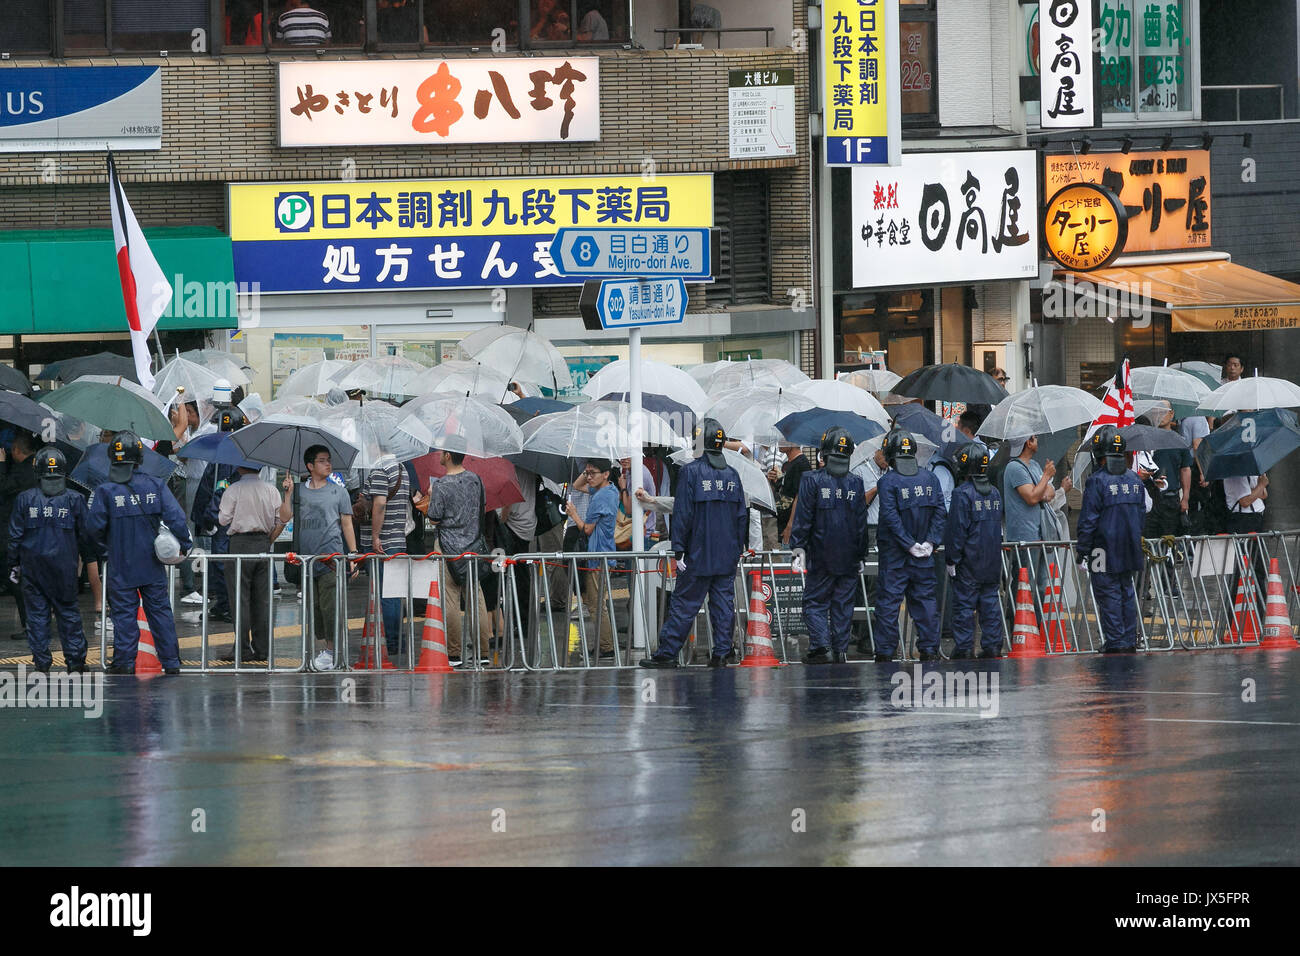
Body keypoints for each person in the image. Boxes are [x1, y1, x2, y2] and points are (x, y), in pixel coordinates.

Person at [641, 419, 748, 668]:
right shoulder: (733, 475)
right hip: (726, 556)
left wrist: (679, 550)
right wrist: (737, 550)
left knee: (684, 605)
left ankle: (667, 654)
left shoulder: (690, 472)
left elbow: (683, 514)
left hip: (697, 555)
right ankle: (722, 652)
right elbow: (741, 516)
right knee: (723, 604)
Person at [86, 431, 192, 675]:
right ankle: (171, 662)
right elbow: (175, 518)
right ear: (140, 459)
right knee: (160, 613)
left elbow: (93, 529)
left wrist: (106, 549)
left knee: (124, 616)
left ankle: (123, 662)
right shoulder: (155, 485)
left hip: (120, 564)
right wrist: (185, 543)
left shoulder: (106, 491)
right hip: (151, 563)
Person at [789, 428, 869, 664]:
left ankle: (821, 646)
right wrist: (862, 554)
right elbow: (861, 524)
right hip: (850, 558)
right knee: (843, 606)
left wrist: (797, 550)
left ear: (823, 454)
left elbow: (803, 520)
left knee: (814, 603)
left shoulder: (811, 481)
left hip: (820, 556)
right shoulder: (856, 483)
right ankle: (839, 650)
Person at [7, 448, 88, 674]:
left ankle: (42, 662)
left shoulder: (25, 500)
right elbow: (87, 536)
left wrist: (12, 564)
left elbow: (15, 537)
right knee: (68, 614)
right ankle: (75, 661)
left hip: (33, 569)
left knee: (37, 616)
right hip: (64, 568)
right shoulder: (75, 499)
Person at [279, 444, 357, 671]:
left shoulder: (338, 491)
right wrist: (288, 493)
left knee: (330, 606)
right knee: (314, 608)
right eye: (322, 460)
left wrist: (352, 554)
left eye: (329, 460)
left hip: (331, 560)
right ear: (310, 466)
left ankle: (333, 652)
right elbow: (285, 516)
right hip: (306, 561)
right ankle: (327, 650)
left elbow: (346, 522)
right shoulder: (298, 491)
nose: (328, 464)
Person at [872, 429, 946, 662]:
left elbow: (890, 517)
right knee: (925, 603)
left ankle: (885, 652)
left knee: (888, 604)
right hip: (924, 555)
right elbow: (940, 512)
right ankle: (929, 649)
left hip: (896, 556)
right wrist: (929, 542)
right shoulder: (930, 478)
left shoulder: (887, 481)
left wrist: (909, 544)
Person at [1075, 426, 1151, 653]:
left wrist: (1082, 550)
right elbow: (1141, 516)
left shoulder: (1096, 482)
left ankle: (1116, 640)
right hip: (1130, 547)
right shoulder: (1136, 481)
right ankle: (1128, 639)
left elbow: (1088, 520)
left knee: (1108, 595)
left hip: (1101, 550)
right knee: (1126, 592)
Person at [418, 451, 492, 666]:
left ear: (448, 456)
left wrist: (432, 495)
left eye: (442, 452)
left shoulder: (441, 485)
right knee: (476, 597)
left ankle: (454, 654)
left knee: (450, 599)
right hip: (472, 547)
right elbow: (482, 508)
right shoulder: (475, 480)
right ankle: (483, 652)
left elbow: (434, 518)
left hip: (448, 548)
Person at [218, 463, 284, 663]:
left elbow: (222, 519)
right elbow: (278, 519)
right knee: (262, 600)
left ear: (239, 468)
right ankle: (263, 649)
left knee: (240, 599)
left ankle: (243, 649)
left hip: (240, 543)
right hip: (263, 543)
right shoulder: (271, 490)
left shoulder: (233, 490)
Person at [943, 442, 1004, 660]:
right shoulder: (995, 493)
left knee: (964, 607)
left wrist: (952, 560)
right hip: (991, 562)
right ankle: (993, 646)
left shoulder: (962, 494)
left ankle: (964, 647)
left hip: (968, 563)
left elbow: (957, 531)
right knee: (990, 605)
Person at [358, 453, 410, 659]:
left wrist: (375, 536)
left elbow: (380, 503)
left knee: (385, 594)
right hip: (397, 539)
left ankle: (391, 641)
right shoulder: (401, 468)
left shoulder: (380, 469)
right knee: (394, 593)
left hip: (383, 543)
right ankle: (398, 641)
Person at [565, 458, 618, 660]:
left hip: (597, 556)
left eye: (592, 473)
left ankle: (606, 647)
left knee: (596, 606)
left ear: (606, 474)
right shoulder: (609, 490)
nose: (588, 477)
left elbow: (587, 529)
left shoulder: (601, 497)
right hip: (603, 554)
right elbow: (578, 485)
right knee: (596, 603)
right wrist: (589, 464)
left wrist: (574, 513)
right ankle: (604, 645)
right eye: (587, 473)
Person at [1003, 434, 1070, 588]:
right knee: (1025, 585)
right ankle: (1013, 613)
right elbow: (1032, 497)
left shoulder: (1033, 465)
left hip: (1041, 533)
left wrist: (1041, 488)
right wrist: (1046, 476)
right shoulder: (1014, 467)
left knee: (1041, 585)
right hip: (1024, 536)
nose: (1038, 441)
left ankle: (1037, 614)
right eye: (1035, 438)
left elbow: (1049, 493)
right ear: (1028, 442)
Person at [0, 432, 38, 641]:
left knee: (16, 580)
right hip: (34, 532)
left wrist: (1, 464)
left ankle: (31, 624)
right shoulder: (38, 467)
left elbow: (2, 488)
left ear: (16, 450)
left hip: (14, 533)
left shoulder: (22, 471)